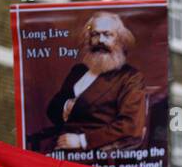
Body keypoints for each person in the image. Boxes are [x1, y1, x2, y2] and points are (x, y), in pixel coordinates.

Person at [37, 12, 147, 152]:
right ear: (89, 39)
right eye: (95, 34)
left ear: (119, 39)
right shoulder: (79, 71)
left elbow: (130, 125)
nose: (100, 40)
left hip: (95, 155)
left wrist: (82, 140)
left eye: (107, 35)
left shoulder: (130, 77)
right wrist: (66, 107)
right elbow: (52, 109)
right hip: (58, 148)